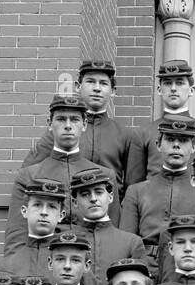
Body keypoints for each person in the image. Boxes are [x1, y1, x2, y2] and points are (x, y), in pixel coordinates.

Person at [21, 60, 146, 200]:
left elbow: (133, 188)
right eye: (90, 82)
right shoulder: (61, 130)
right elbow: (29, 174)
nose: (97, 88)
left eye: (103, 83)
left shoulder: (125, 135)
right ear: (78, 87)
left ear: (113, 91)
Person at [6, 96, 110, 253]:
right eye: (61, 119)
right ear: (49, 124)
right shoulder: (29, 176)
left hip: (91, 255)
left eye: (74, 120)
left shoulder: (103, 175)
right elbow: (16, 234)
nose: (68, 126)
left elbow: (110, 230)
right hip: (44, 256)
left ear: (84, 124)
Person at [119, 118, 195, 277]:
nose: (176, 145)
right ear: (158, 144)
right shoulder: (137, 191)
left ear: (194, 147)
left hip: (185, 267)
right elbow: (126, 241)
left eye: (183, 140)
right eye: (169, 140)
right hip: (145, 267)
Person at [67, 166, 146, 285]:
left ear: (110, 197)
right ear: (75, 202)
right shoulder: (65, 241)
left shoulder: (131, 243)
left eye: (98, 192)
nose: (93, 199)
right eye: (85, 194)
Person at [0, 178, 69, 281]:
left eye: (51, 206)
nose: (44, 212)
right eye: (37, 205)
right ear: (24, 211)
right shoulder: (5, 267)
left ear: (61, 215)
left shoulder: (70, 266)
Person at [148, 59, 195, 153]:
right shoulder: (144, 134)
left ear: (191, 90)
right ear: (159, 90)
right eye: (167, 83)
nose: (173, 88)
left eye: (179, 83)